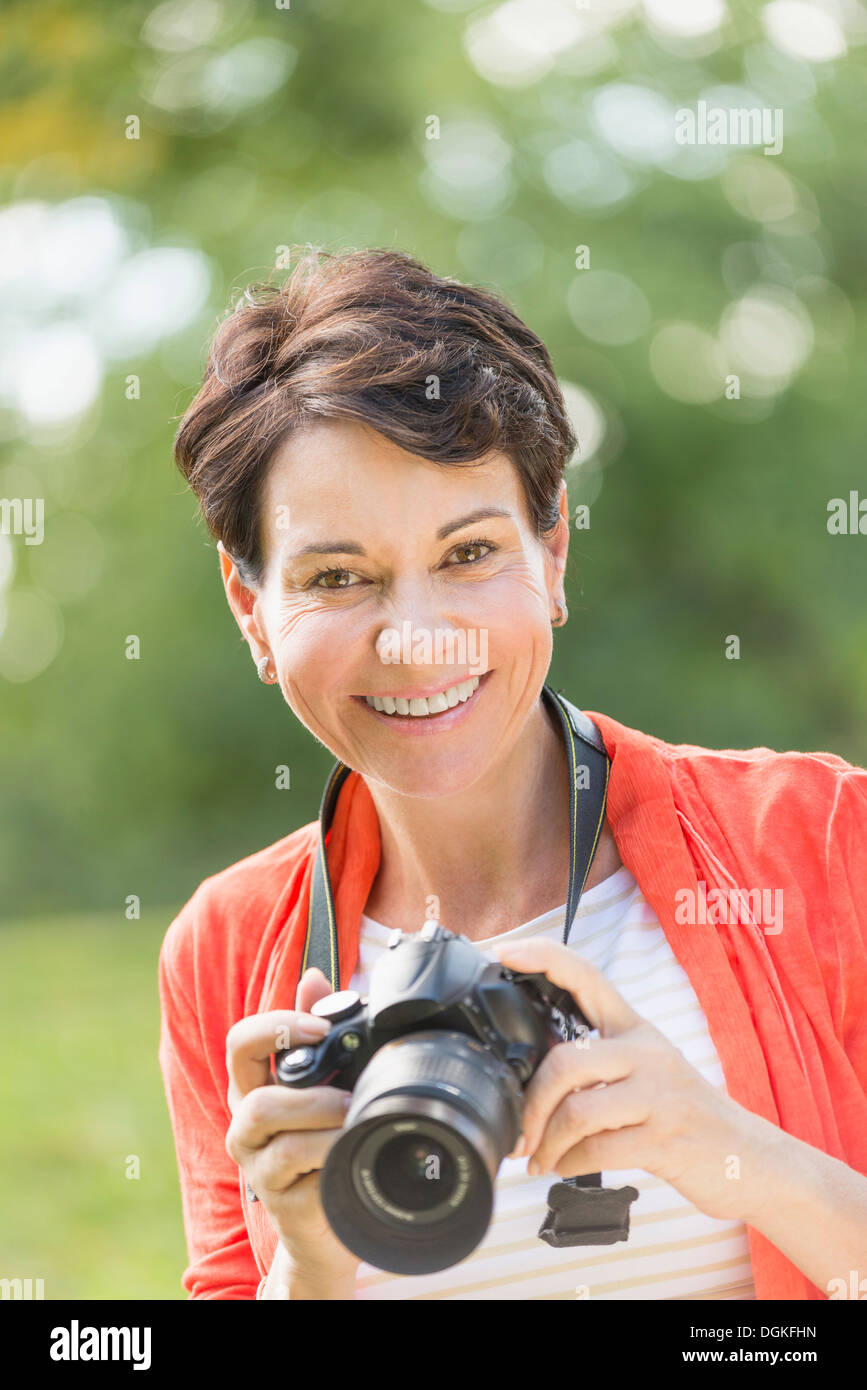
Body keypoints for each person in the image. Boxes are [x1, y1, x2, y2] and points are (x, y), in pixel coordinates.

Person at [159, 246, 867, 1301]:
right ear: (251, 608)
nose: (417, 640)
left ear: (555, 553)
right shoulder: (226, 951)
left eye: (469, 553)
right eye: (336, 576)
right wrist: (308, 1264)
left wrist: (736, 1153)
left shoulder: (817, 839)